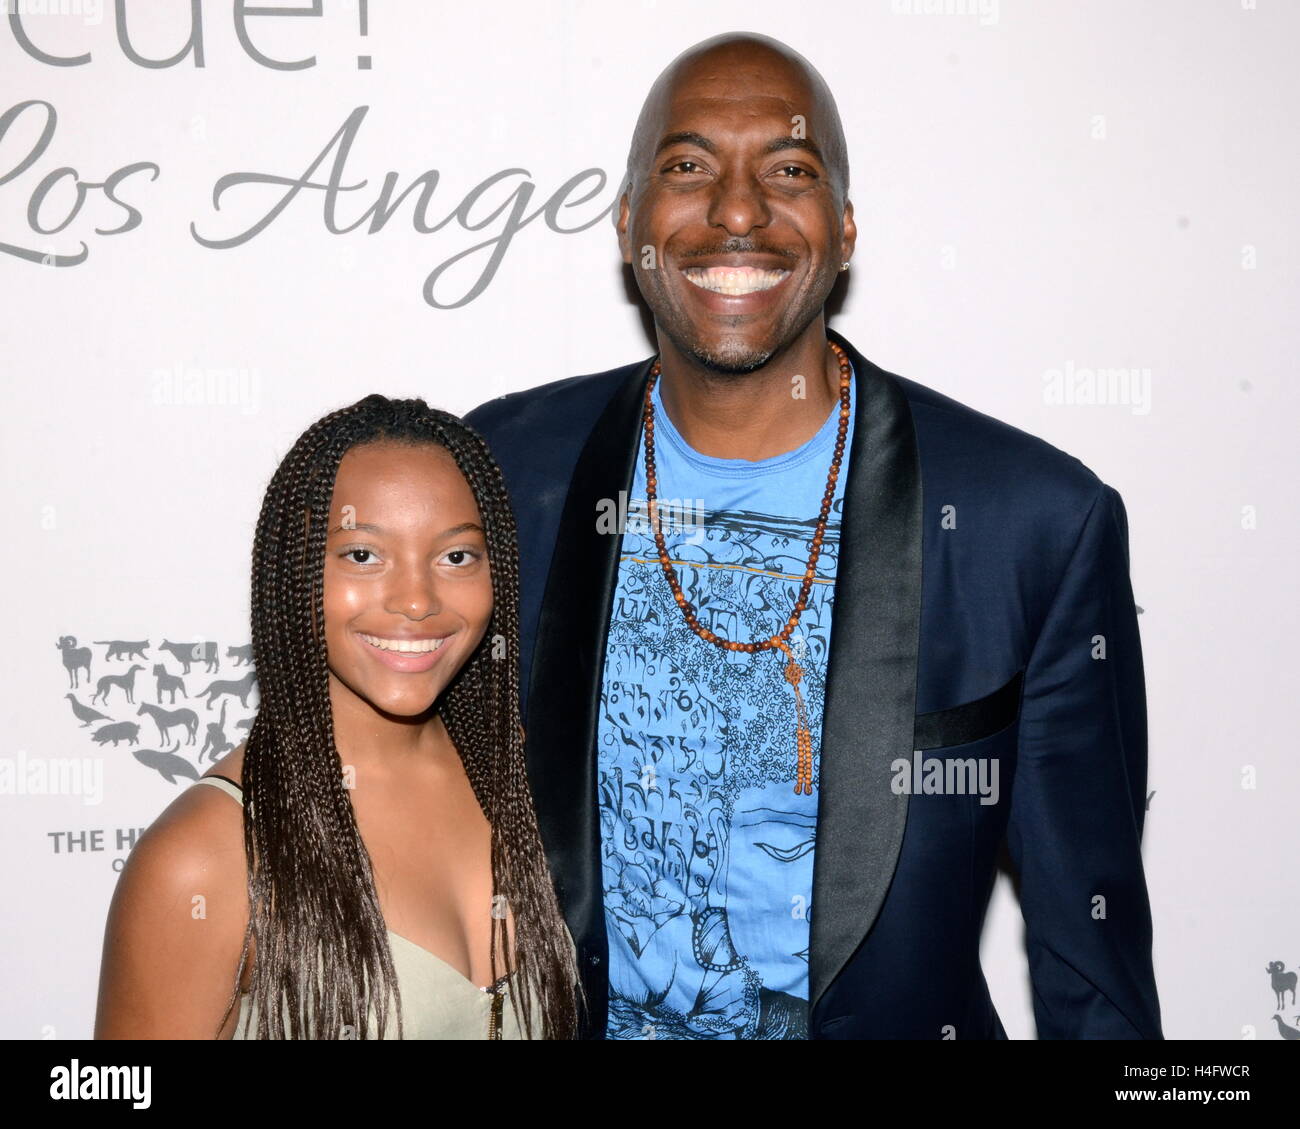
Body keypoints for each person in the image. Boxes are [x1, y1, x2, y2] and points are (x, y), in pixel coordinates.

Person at [464, 32, 1162, 1039]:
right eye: (688, 167)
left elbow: (1087, 961)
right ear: (628, 225)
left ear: (841, 230)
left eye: (787, 171)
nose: (737, 211)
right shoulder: (503, 471)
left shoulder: (1028, 520)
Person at [95, 395, 581, 1039]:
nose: (417, 600)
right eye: (362, 555)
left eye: (457, 556)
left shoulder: (523, 778)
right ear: (293, 571)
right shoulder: (204, 858)